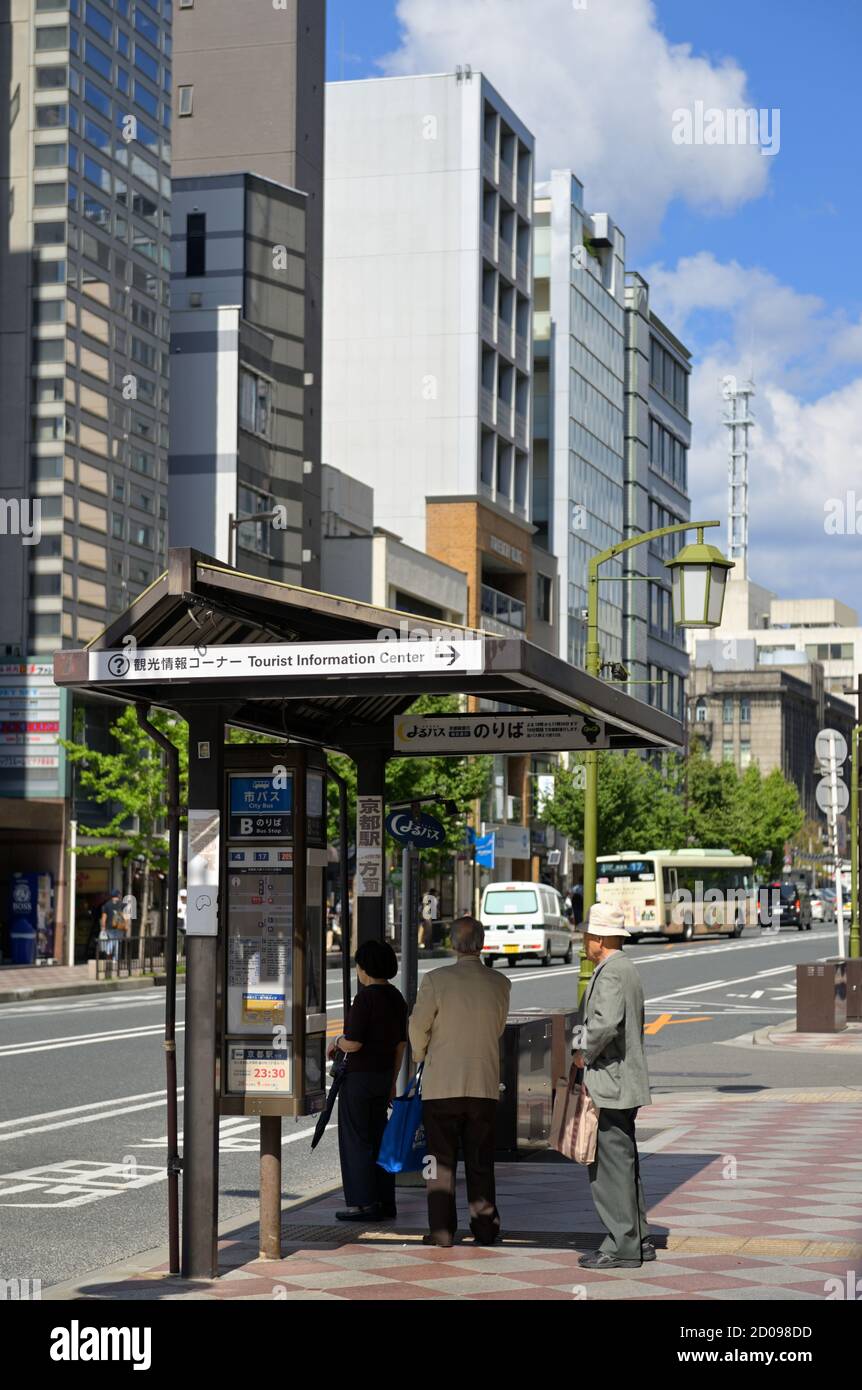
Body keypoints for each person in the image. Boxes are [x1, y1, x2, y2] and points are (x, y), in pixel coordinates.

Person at [409, 914, 510, 1248]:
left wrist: (421, 1055)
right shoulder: (499, 982)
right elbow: (497, 1028)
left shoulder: (436, 980)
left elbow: (417, 1026)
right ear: (481, 944)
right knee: (481, 1161)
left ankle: (441, 1232)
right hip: (483, 1084)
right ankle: (484, 1228)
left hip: (442, 1085)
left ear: (453, 944)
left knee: (440, 1162)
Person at [574, 902, 653, 1270]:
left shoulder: (609, 973)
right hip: (625, 1081)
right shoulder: (626, 968)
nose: (585, 941)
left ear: (601, 938)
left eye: (589, 935)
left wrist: (582, 1052)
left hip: (611, 1082)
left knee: (609, 1166)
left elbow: (604, 1024)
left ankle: (621, 1244)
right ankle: (639, 1238)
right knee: (624, 1161)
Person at [328, 939, 407, 1222]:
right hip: (384, 1076)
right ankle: (386, 1202)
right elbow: (400, 1045)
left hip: (359, 1080)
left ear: (364, 969)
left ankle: (363, 1204)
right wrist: (392, 1081)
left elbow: (354, 1043)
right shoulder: (396, 997)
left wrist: (336, 1040)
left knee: (357, 1141)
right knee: (380, 1139)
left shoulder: (365, 998)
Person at [99, 890, 128, 963]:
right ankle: (115, 959)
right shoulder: (123, 904)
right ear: (118, 896)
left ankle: (109, 954)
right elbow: (126, 917)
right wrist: (126, 926)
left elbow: (104, 917)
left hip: (109, 927)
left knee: (111, 941)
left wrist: (103, 927)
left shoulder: (106, 905)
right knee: (117, 942)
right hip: (120, 927)